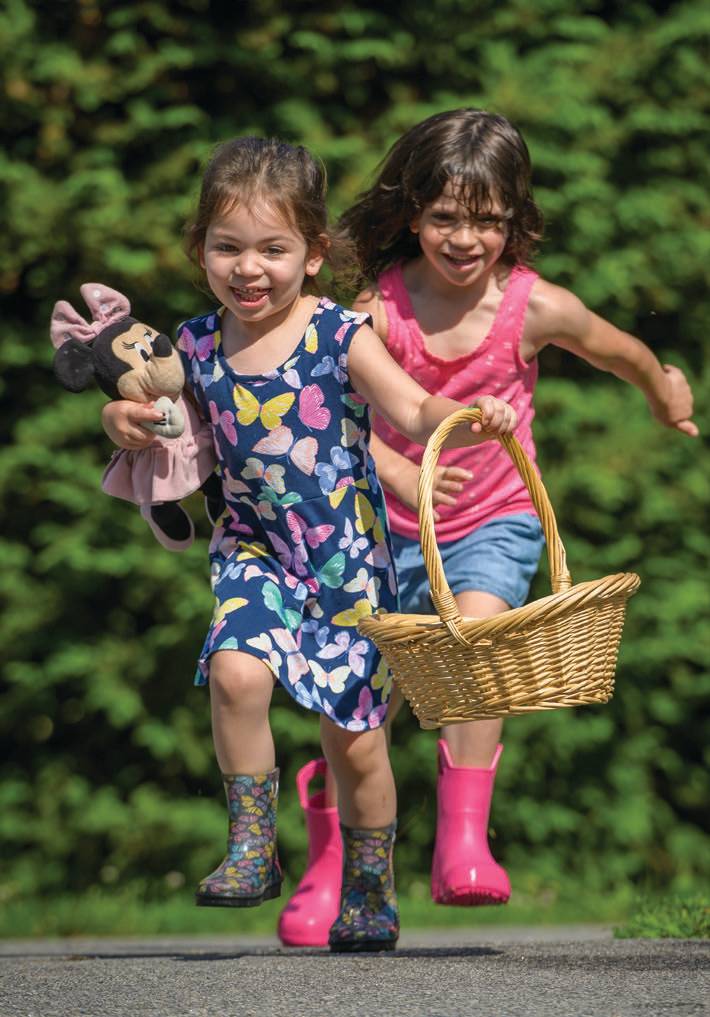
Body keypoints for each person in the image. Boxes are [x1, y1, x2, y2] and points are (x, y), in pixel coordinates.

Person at [277, 108, 697, 947]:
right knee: (361, 710)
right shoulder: (379, 310)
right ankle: (337, 861)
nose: (466, 238)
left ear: (516, 219)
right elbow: (325, 411)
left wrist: (664, 391)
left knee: (479, 637)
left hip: (491, 519)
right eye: (445, 217)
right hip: (381, 530)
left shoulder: (532, 307)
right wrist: (395, 469)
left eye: (489, 219)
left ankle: (463, 839)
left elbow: (620, 350)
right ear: (412, 214)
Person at [99, 135, 518, 953]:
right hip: (254, 552)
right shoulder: (193, 346)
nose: (248, 267)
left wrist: (471, 418)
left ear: (314, 255)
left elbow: (411, 408)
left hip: (350, 568)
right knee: (232, 667)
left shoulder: (336, 333)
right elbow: (148, 414)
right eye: (227, 247)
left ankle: (368, 889)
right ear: (200, 252)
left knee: (357, 747)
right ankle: (253, 845)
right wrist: (121, 419)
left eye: (272, 248)